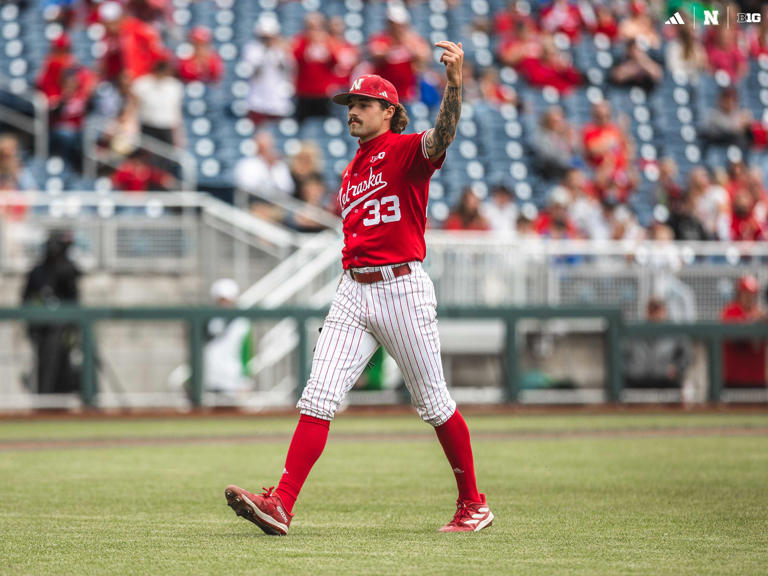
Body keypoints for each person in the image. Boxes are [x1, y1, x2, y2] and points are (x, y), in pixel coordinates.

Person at [225, 43, 495, 535]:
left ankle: (472, 504)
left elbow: (444, 134)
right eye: (350, 103)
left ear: (388, 111)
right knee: (317, 396)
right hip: (354, 289)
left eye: (363, 103)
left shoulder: (406, 150)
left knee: (434, 403)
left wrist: (454, 83)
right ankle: (281, 503)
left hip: (401, 287)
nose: (352, 110)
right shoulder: (351, 170)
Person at [21, 231, 81, 394]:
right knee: (45, 369)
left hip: (65, 330)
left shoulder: (67, 269)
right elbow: (26, 299)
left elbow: (74, 298)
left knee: (65, 367)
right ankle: (45, 400)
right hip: (42, 330)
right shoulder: (38, 272)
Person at [623, 298, 693, 389]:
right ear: (646, 311)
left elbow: (687, 357)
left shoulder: (675, 332)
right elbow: (621, 355)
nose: (655, 314)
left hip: (666, 382)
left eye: (658, 309)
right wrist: (629, 370)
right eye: (652, 310)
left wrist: (676, 369)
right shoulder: (634, 332)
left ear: (664, 311)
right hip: (636, 382)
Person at [204, 279, 253, 395]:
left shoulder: (242, 323)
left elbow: (246, 353)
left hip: (232, 381)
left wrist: (246, 379)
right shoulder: (207, 321)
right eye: (221, 300)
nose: (224, 304)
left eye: (227, 300)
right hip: (209, 379)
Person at [721, 276, 767, 388]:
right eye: (745, 294)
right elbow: (733, 338)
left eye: (752, 295)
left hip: (757, 380)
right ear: (739, 294)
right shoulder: (730, 311)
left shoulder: (760, 313)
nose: (749, 298)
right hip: (734, 380)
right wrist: (754, 321)